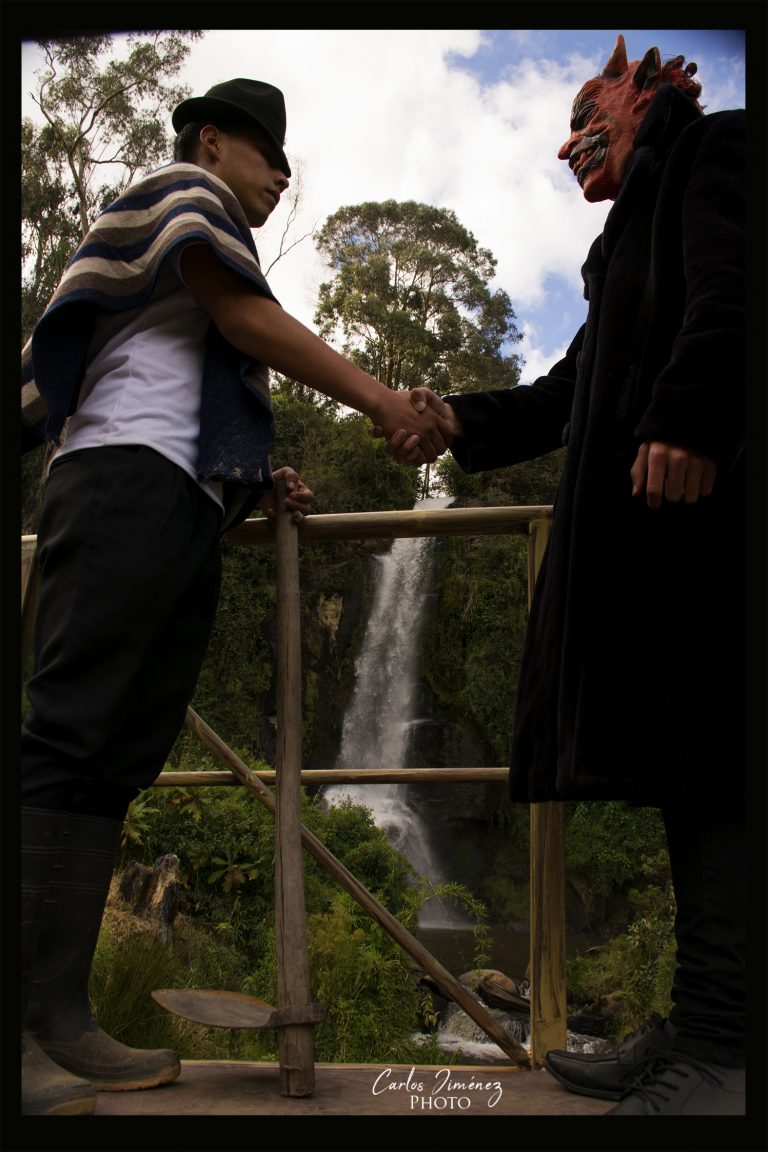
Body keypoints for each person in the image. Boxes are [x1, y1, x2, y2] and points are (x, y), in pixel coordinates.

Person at [19, 77, 454, 1116]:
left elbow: (187, 364)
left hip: (174, 500)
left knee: (116, 760)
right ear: (213, 142)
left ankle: (58, 1018)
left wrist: (248, 473)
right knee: (69, 743)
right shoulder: (183, 193)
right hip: (120, 482)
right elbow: (242, 318)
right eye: (270, 155)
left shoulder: (204, 218)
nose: (282, 177)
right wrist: (385, 400)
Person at [386, 36, 746, 1115]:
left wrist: (690, 414)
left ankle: (725, 1055)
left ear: (646, 97)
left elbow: (738, 287)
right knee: (694, 782)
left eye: (590, 106)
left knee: (721, 778)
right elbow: (565, 391)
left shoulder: (718, 153)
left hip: (713, 527)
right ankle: (703, 1021)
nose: (567, 137)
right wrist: (452, 419)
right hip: (655, 546)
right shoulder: (621, 249)